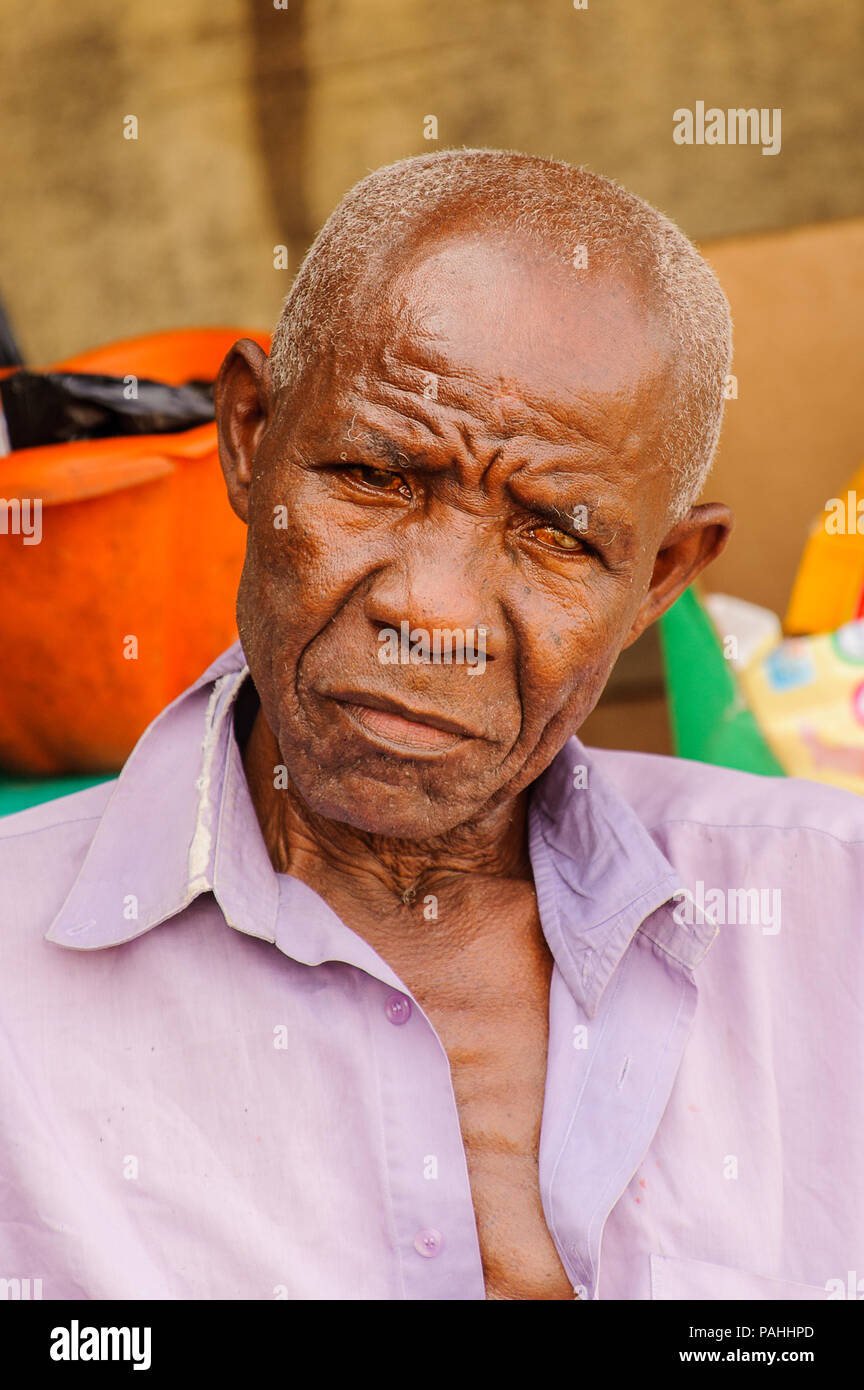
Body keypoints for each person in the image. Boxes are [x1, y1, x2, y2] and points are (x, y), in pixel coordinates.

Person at [1, 149, 860, 1302]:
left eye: (557, 530)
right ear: (248, 438)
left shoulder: (830, 923)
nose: (432, 610)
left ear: (658, 578)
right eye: (374, 472)